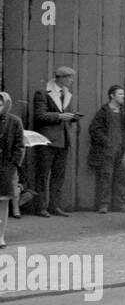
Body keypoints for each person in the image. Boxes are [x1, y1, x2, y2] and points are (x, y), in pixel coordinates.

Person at [32, 66, 78, 217]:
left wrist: (73, 117)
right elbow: (39, 115)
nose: (71, 81)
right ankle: (40, 207)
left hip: (63, 140)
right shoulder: (43, 93)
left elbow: (62, 115)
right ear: (61, 78)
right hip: (46, 141)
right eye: (69, 78)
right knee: (43, 175)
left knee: (59, 175)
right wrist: (59, 116)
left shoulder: (66, 94)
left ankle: (54, 206)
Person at [88, 85, 125, 214]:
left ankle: (119, 204)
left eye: (123, 94)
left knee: (121, 177)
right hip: (107, 151)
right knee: (106, 177)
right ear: (112, 96)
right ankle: (104, 205)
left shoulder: (124, 111)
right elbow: (94, 129)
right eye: (120, 94)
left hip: (122, 149)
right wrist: (106, 142)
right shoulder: (103, 111)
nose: (123, 96)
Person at [0, 92, 25, 247]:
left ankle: (0, 236)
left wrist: (13, 165)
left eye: (1, 104)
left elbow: (19, 146)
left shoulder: (15, 122)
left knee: (2, 203)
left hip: (5, 168)